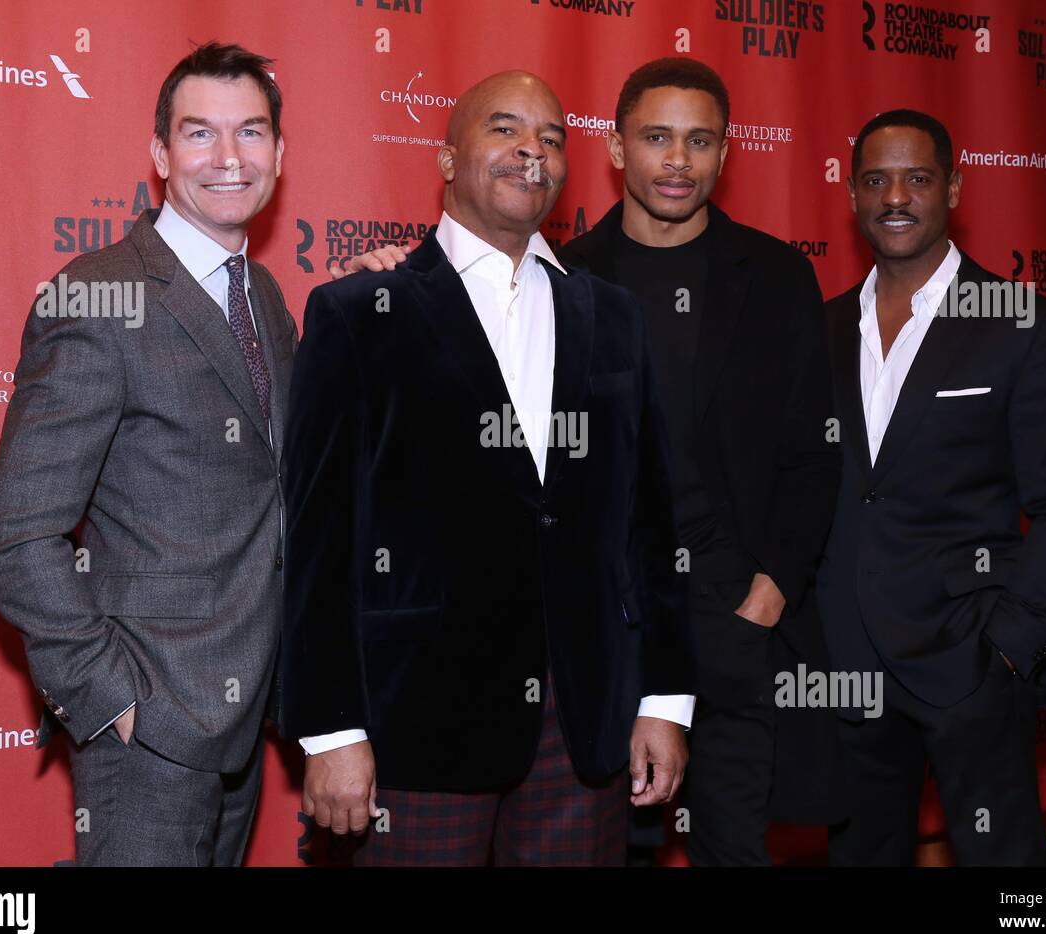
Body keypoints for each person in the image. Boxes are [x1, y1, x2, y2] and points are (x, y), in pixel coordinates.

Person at [334, 58, 844, 866]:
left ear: (723, 153)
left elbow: (812, 447)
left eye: (700, 140)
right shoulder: (580, 275)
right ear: (617, 149)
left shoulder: (764, 278)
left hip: (720, 627)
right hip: (575, 657)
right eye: (656, 137)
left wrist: (767, 594)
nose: (678, 158)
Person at [278, 70, 695, 866]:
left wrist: (665, 700)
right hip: (419, 727)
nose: (531, 151)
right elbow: (319, 543)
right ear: (445, 159)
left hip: (584, 725)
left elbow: (653, 524)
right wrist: (331, 732)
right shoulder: (360, 313)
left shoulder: (612, 318)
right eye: (505, 129)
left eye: (550, 137)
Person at [0, 42, 294, 866]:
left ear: (279, 154)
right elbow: (18, 536)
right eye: (200, 134)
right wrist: (112, 699)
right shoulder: (98, 294)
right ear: (159, 155)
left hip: (243, 719)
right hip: (147, 734)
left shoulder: (261, 294)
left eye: (251, 133)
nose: (229, 158)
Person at [818, 109, 1046, 865]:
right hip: (848, 668)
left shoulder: (1027, 324)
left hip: (970, 661)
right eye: (875, 180)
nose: (895, 197)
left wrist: (1009, 648)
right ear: (851, 197)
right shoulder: (819, 329)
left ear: (955, 188)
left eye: (917, 177)